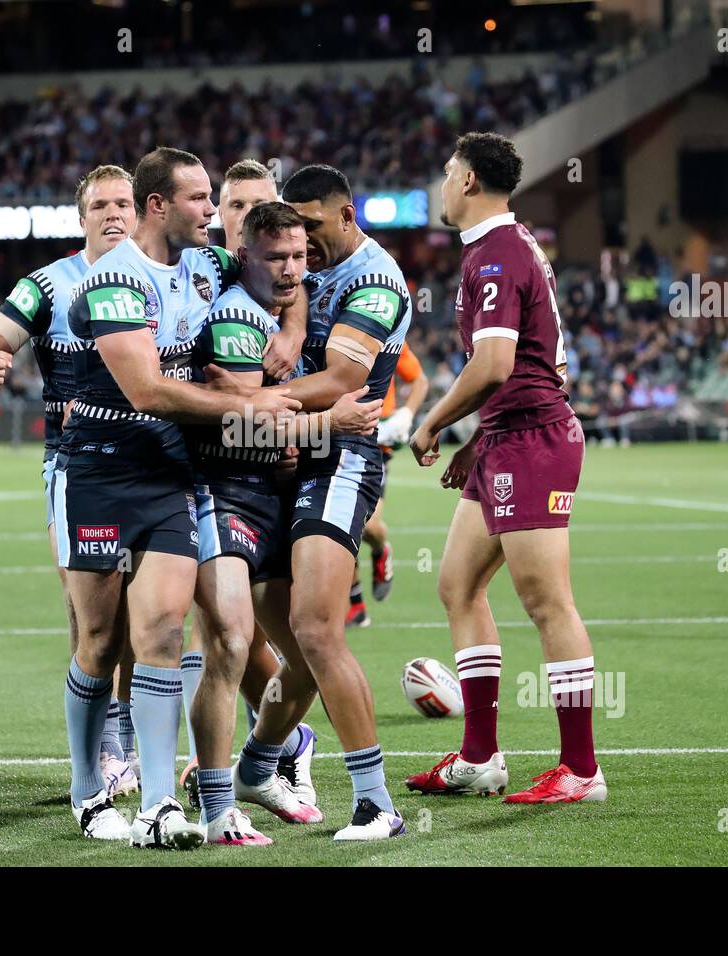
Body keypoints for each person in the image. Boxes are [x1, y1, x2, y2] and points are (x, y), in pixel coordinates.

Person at [58, 146, 299, 848]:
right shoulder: (113, 280)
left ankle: (160, 805)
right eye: (200, 199)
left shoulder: (209, 264)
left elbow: (284, 275)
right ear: (158, 205)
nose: (215, 212)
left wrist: (289, 332)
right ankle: (86, 789)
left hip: (170, 472)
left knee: (163, 631)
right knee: (101, 642)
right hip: (101, 472)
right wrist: (249, 406)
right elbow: (147, 391)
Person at [406, 131, 606, 804]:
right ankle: (480, 757)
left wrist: (434, 422)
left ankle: (581, 769)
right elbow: (520, 365)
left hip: (533, 440)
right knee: (458, 586)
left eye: (447, 171)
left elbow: (494, 364)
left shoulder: (497, 255)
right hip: (506, 436)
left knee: (547, 601)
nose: (442, 183)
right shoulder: (502, 248)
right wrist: (481, 437)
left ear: (467, 181)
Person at [186, 200, 380, 844]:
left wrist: (281, 423)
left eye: (299, 255)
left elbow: (262, 417)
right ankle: (215, 807)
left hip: (272, 497)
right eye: (276, 258)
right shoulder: (237, 320)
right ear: (245, 255)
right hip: (225, 496)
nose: (293, 269)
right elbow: (237, 430)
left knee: (304, 656)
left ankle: (260, 762)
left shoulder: (277, 310)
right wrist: (327, 423)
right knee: (229, 645)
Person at [233, 162, 413, 841]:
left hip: (337, 459)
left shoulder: (374, 280)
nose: (300, 242)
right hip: (270, 461)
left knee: (315, 629)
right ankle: (256, 764)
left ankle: (376, 803)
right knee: (289, 645)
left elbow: (341, 378)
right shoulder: (300, 271)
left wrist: (247, 403)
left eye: (311, 226)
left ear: (345, 214)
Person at [0, 164, 140, 798]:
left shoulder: (168, 278)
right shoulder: (46, 286)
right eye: (100, 206)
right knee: (89, 607)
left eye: (123, 203)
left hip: (157, 462)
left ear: (141, 212)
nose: (113, 214)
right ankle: (104, 745)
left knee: (148, 610)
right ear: (81, 218)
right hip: (76, 463)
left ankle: (127, 734)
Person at [346, 340, 429, 626]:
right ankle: (356, 605)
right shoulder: (325, 327)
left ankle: (381, 549)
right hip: (333, 436)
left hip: (376, 445)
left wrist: (406, 415)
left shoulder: (388, 334)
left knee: (366, 526)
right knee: (341, 525)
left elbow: (419, 380)